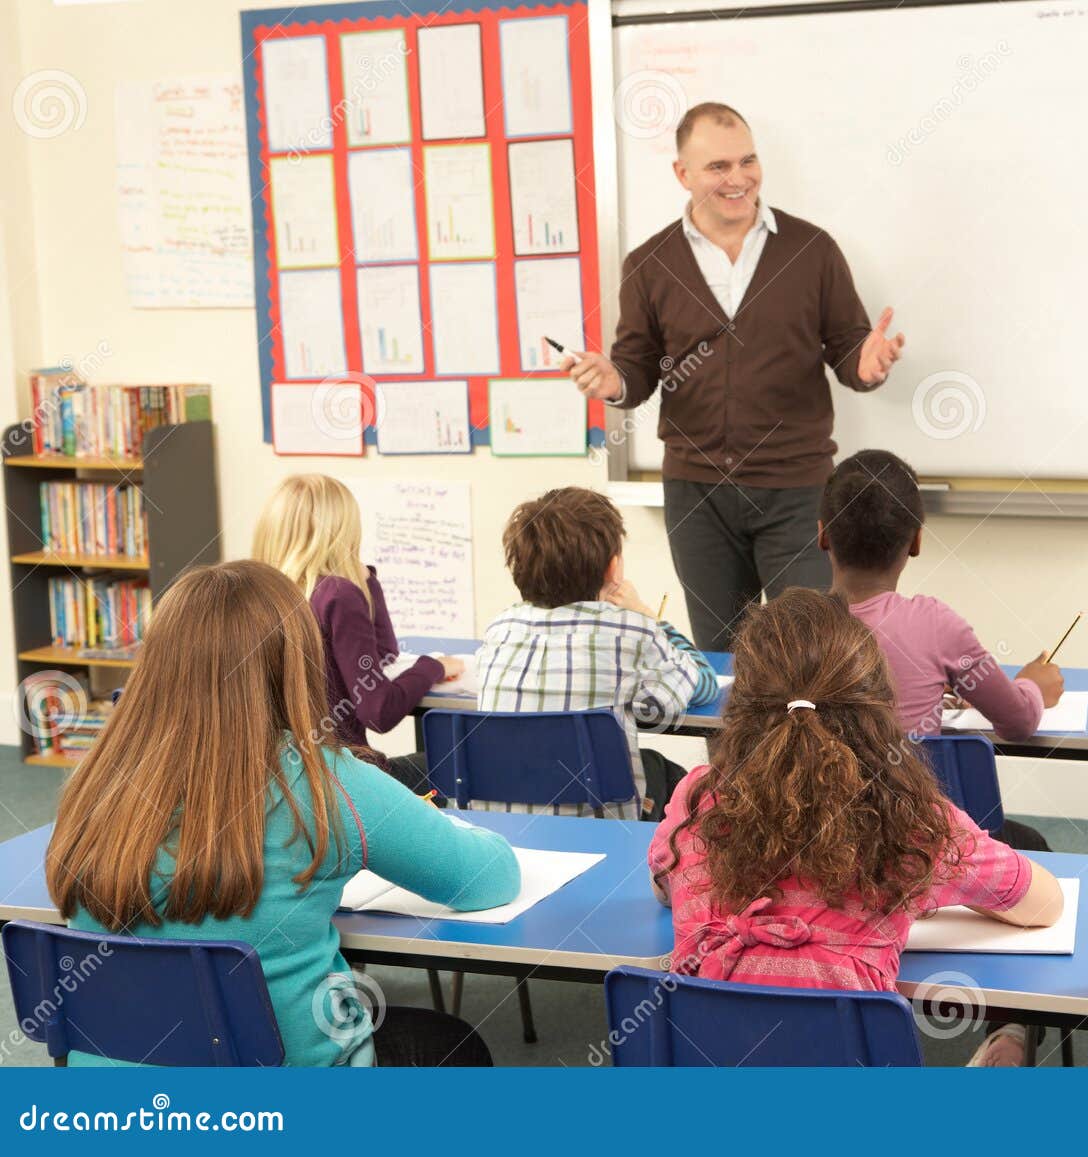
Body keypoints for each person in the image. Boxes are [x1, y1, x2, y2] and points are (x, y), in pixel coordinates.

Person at [46, 561, 519, 1067]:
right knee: (453, 1043)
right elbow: (488, 879)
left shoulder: (96, 779)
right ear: (293, 663)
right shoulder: (326, 780)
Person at [649, 588, 1061, 1063]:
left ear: (739, 703)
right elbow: (1045, 904)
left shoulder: (698, 798)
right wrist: (931, 887)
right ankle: (1007, 1044)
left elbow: (665, 883)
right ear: (877, 704)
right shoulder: (913, 818)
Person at [563, 102, 905, 652]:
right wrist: (614, 383)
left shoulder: (811, 250)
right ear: (683, 174)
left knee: (810, 654)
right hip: (697, 496)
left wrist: (866, 367)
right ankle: (731, 747)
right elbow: (637, 371)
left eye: (748, 161)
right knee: (721, 662)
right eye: (719, 166)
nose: (738, 178)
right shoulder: (649, 263)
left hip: (797, 488)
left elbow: (849, 351)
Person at [818, 448, 1062, 850]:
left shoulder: (783, 630)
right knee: (1030, 843)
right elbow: (1017, 723)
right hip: (915, 841)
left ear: (822, 533)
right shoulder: (935, 625)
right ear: (915, 541)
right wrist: (1032, 687)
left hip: (812, 835)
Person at [477, 487, 718, 819]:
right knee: (676, 778)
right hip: (600, 823)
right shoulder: (631, 631)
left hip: (501, 825)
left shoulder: (500, 628)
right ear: (613, 569)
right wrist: (647, 613)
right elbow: (703, 681)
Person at [253, 474, 461, 790]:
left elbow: (384, 653)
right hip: (346, 782)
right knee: (454, 763)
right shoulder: (337, 594)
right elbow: (378, 712)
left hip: (286, 782)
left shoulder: (259, 594)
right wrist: (433, 667)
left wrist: (366, 579)